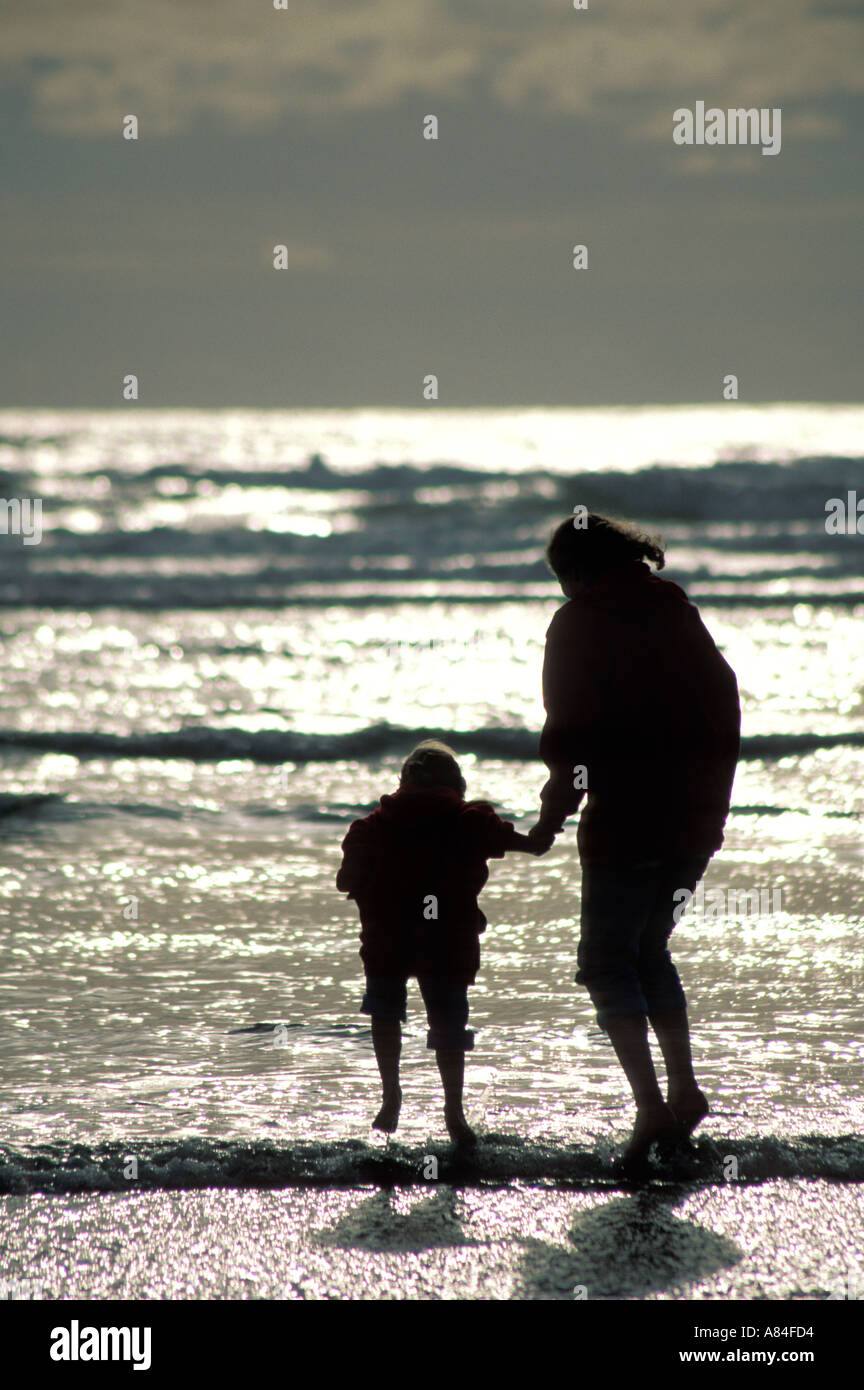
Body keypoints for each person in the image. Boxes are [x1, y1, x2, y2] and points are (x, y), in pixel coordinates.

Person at [530, 513, 740, 1173]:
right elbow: (725, 705)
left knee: (605, 962)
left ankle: (653, 1105)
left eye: (562, 578)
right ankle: (683, 1090)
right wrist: (711, 808)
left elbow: (573, 733)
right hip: (697, 819)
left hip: (629, 820)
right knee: (648, 950)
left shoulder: (582, 622)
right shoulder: (676, 610)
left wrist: (550, 818)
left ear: (575, 570)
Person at [336, 739, 545, 1146]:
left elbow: (346, 880)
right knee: (448, 1023)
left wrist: (367, 883)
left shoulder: (370, 827)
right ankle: (453, 1112)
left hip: (388, 938)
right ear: (456, 783)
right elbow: (524, 843)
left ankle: (391, 1093)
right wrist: (547, 828)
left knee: (385, 1012)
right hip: (446, 939)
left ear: (404, 781)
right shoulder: (469, 821)